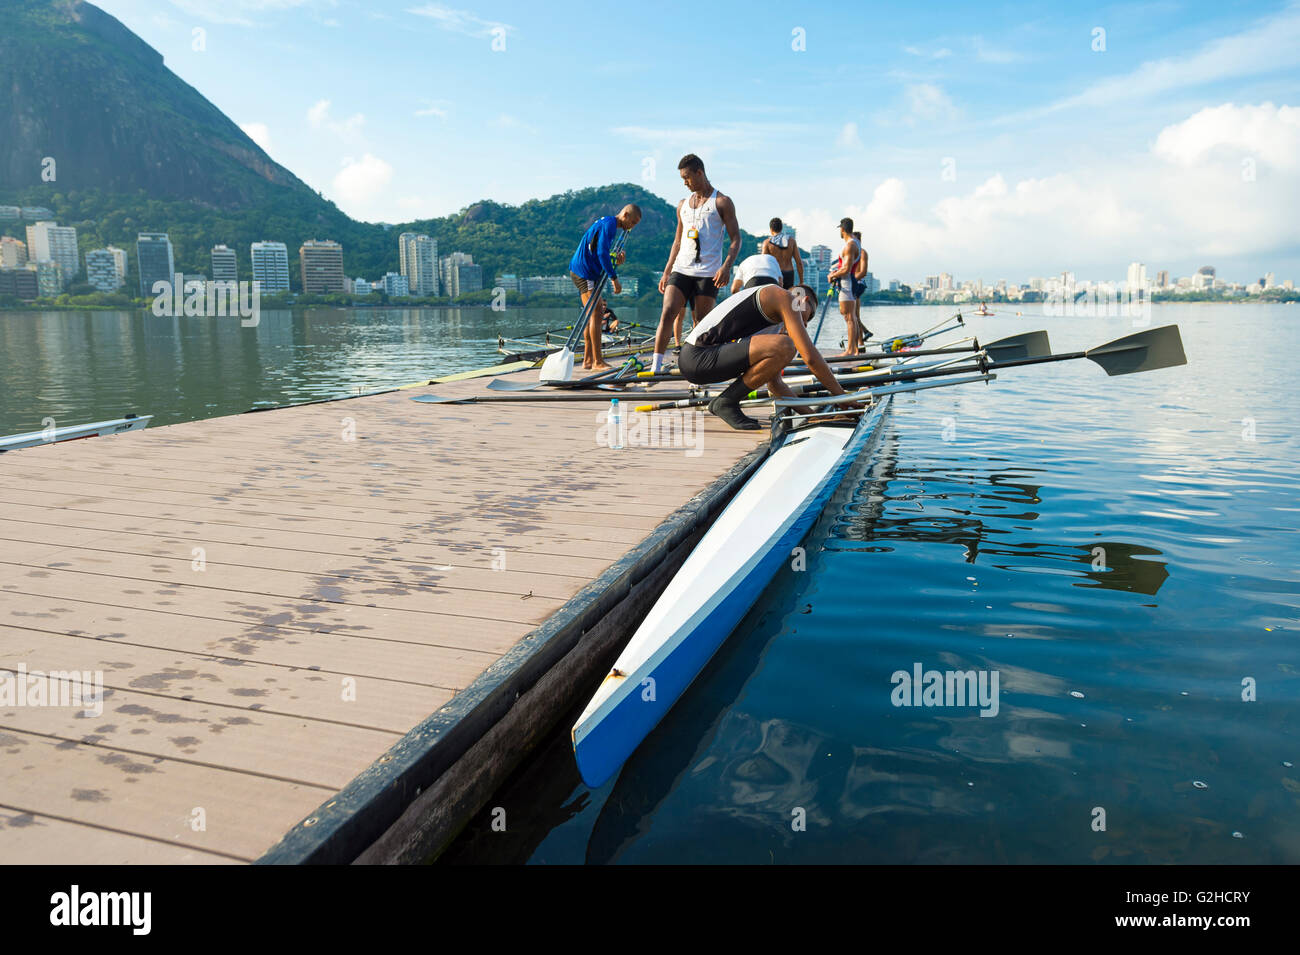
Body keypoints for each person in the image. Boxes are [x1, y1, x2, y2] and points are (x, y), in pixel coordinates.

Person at [678, 282, 851, 430]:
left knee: (784, 345)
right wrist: (842, 396)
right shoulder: (785, 297)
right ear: (803, 300)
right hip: (696, 356)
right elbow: (810, 357)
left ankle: (725, 402)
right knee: (787, 345)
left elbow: (775, 384)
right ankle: (727, 401)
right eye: (808, 316)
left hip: (702, 362)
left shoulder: (772, 325)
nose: (804, 323)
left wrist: (815, 418)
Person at [653, 154, 741, 374]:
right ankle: (655, 366)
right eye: (682, 178)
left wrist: (727, 266)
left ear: (699, 173)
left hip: (708, 273)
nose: (684, 182)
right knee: (668, 312)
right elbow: (677, 241)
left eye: (687, 177)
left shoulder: (722, 202)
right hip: (681, 269)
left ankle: (696, 367)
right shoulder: (682, 205)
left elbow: (736, 239)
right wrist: (666, 272)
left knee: (700, 322)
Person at [569, 203, 641, 370]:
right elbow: (601, 253)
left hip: (585, 271)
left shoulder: (608, 225)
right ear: (625, 215)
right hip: (584, 272)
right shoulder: (609, 225)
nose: (633, 227)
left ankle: (588, 360)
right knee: (597, 312)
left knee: (591, 315)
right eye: (633, 222)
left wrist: (616, 261)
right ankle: (597, 362)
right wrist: (614, 278)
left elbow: (601, 252)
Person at [826, 217, 863, 356]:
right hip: (849, 282)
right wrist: (836, 272)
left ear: (842, 229)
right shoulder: (855, 243)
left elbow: (846, 269)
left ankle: (851, 350)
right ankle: (854, 349)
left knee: (849, 317)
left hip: (847, 282)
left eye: (840, 230)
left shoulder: (850, 245)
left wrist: (833, 275)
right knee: (851, 317)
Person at [761, 218, 804, 288]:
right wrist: (801, 281)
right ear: (781, 228)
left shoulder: (767, 243)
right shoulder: (791, 241)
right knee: (788, 296)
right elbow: (799, 262)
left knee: (775, 297)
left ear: (771, 229)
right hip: (789, 274)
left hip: (775, 274)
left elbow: (763, 263)